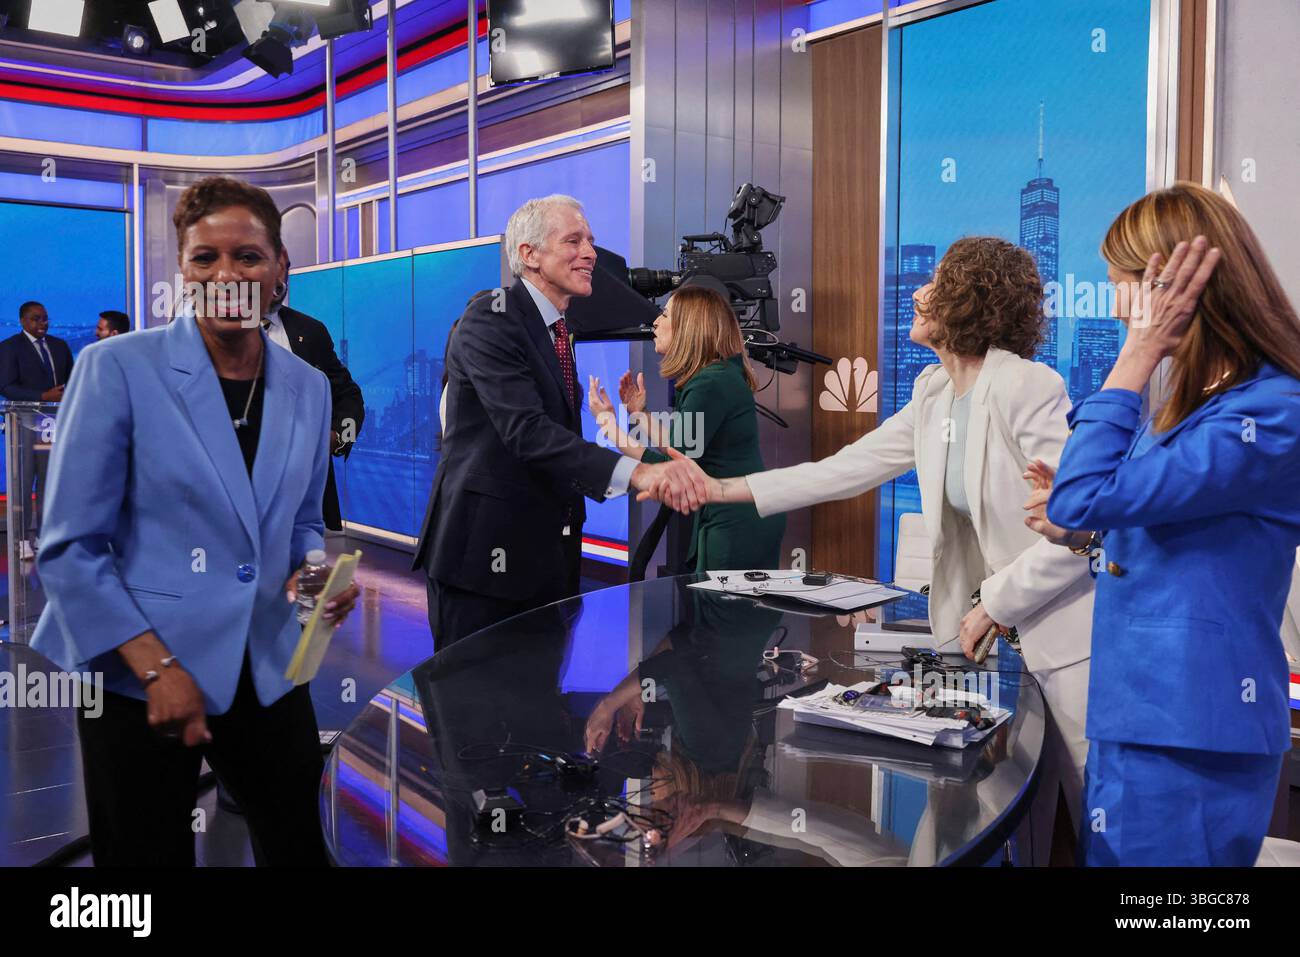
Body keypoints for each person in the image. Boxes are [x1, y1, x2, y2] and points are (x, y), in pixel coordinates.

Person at [642, 237, 1096, 865]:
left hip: (1056, 646)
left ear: (968, 299)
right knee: (983, 828)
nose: (916, 291)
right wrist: (720, 487)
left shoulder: (1026, 386)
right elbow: (841, 470)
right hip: (980, 650)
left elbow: (1080, 529)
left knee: (1080, 832)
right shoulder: (935, 392)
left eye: (933, 283)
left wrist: (993, 601)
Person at [30, 175, 360, 866]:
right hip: (136, 673)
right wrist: (158, 668)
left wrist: (311, 575)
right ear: (182, 271)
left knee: (305, 844)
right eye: (204, 258)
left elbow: (301, 518)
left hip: (266, 663)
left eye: (248, 256)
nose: (226, 273)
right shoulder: (116, 367)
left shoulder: (309, 386)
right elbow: (70, 549)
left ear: (279, 272)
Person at [1022, 182, 1300, 866]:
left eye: (1123, 284)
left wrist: (1138, 352)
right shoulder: (1208, 401)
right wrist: (1086, 531)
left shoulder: (1271, 411)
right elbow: (1119, 513)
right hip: (1142, 714)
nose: (1116, 304)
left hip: (1190, 732)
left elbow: (1084, 493)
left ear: (1177, 289)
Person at [412, 194, 702, 651]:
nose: (590, 252)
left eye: (590, 240)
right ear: (528, 254)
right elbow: (527, 433)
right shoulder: (491, 318)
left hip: (548, 565)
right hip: (483, 569)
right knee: (472, 713)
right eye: (573, 240)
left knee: (541, 710)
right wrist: (639, 471)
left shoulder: (558, 332)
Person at [586, 283, 785, 571]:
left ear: (688, 328)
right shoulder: (716, 375)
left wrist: (606, 422)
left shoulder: (710, 382)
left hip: (734, 525)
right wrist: (639, 414)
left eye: (665, 315)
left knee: (721, 614)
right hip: (742, 518)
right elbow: (684, 448)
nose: (655, 321)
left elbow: (670, 468)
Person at [263, 259, 365, 531]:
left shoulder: (310, 331)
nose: (278, 276)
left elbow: (347, 394)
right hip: (238, 491)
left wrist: (338, 437)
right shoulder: (221, 333)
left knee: (304, 569)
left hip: (303, 493)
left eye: (284, 268)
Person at [0, 301, 74, 559]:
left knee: (49, 484)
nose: (43, 323)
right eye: (36, 319)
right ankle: (21, 539)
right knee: (22, 482)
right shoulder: (9, 348)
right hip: (22, 425)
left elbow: (71, 380)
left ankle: (45, 535)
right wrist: (42, 395)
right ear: (23, 321)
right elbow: (7, 387)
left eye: (45, 319)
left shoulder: (59, 346)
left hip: (52, 426)